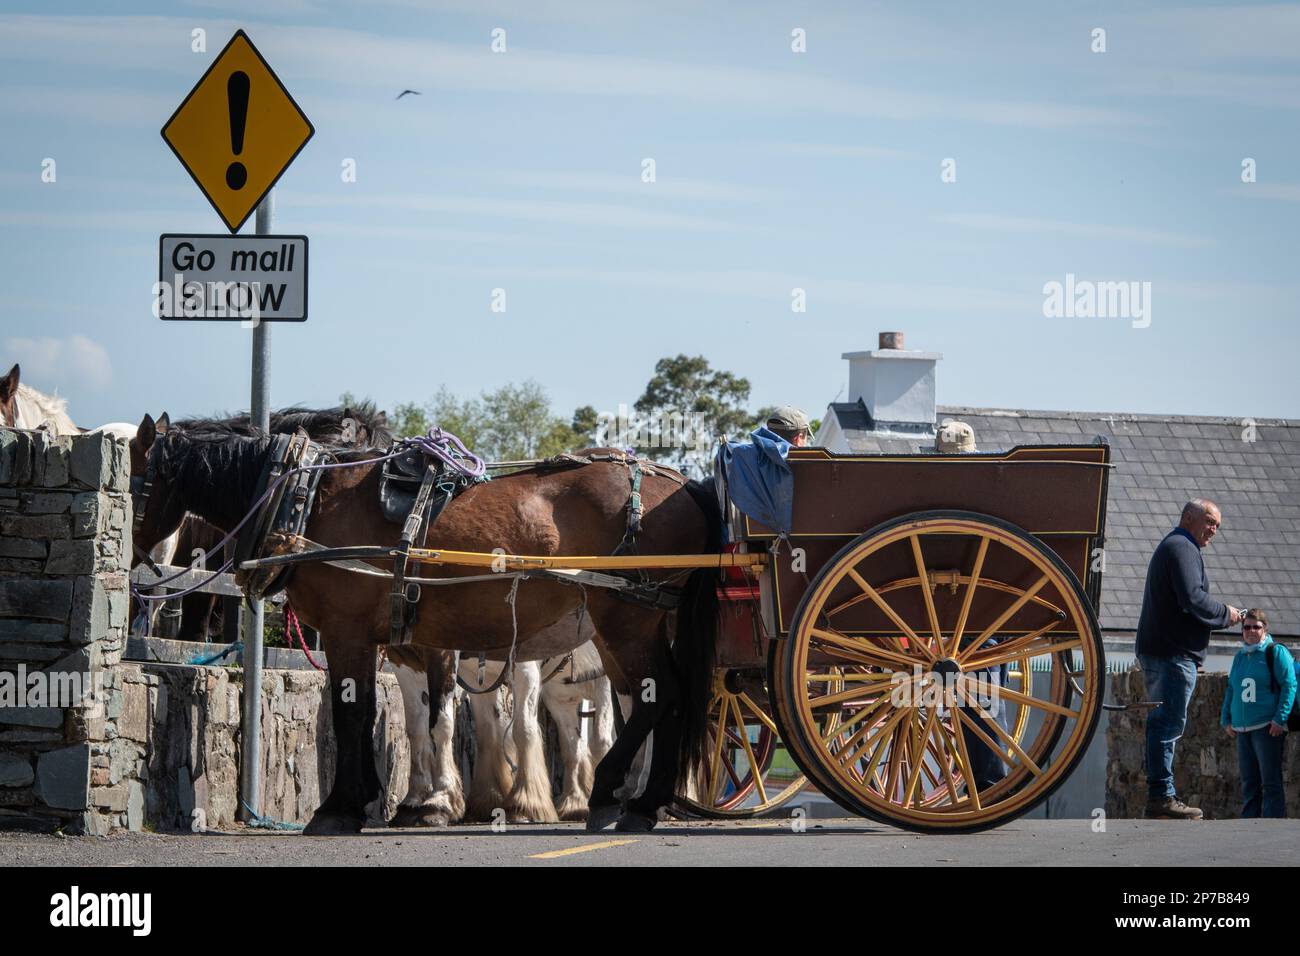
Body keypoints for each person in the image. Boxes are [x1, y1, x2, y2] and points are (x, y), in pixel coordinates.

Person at [1136, 498, 1242, 819]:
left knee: (1161, 724)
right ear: (1188, 517)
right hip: (1172, 655)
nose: (1213, 530)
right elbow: (1193, 598)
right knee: (1167, 724)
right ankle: (1162, 796)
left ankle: (1160, 794)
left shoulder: (1176, 546)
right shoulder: (1182, 547)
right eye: (1209, 522)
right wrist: (1227, 613)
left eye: (1217, 526)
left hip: (1164, 651)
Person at [1221, 609, 1295, 818]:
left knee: (1270, 781)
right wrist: (1225, 719)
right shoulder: (1240, 657)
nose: (1251, 631)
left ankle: (1272, 826)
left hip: (1266, 728)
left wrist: (1280, 719)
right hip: (1242, 729)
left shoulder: (1275, 652)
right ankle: (1249, 827)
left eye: (1256, 627)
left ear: (1265, 629)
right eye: (1247, 627)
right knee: (1249, 783)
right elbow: (1232, 689)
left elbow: (1289, 685)